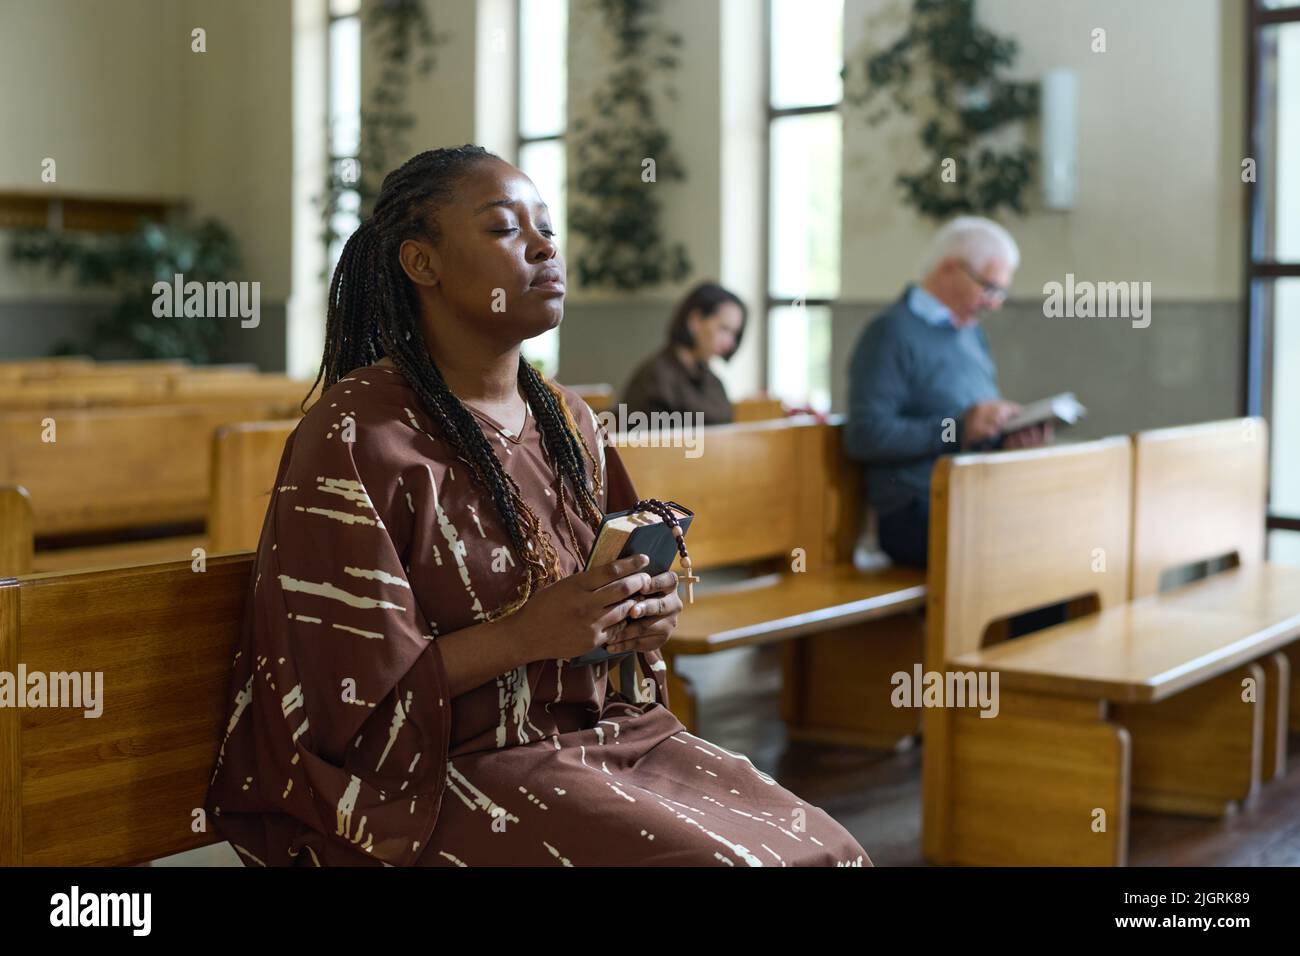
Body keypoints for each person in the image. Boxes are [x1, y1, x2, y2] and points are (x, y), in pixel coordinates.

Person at [204, 145, 868, 867]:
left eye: (546, 227)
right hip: (441, 776)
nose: (546, 246)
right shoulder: (359, 431)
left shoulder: (566, 418)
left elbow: (604, 625)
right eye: (504, 230)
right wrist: (526, 635)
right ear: (421, 263)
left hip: (600, 739)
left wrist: (638, 618)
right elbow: (341, 696)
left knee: (828, 850)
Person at [845, 216, 1051, 569]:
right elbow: (865, 436)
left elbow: (970, 429)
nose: (994, 303)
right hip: (915, 508)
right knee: (1028, 550)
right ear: (951, 268)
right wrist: (959, 428)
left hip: (974, 495)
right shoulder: (890, 333)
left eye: (1000, 292)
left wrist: (1004, 437)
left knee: (1061, 528)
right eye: (989, 288)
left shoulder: (970, 335)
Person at [621, 281, 745, 425]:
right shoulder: (656, 378)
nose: (730, 343)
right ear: (695, 320)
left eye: (734, 334)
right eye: (724, 329)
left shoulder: (712, 382)